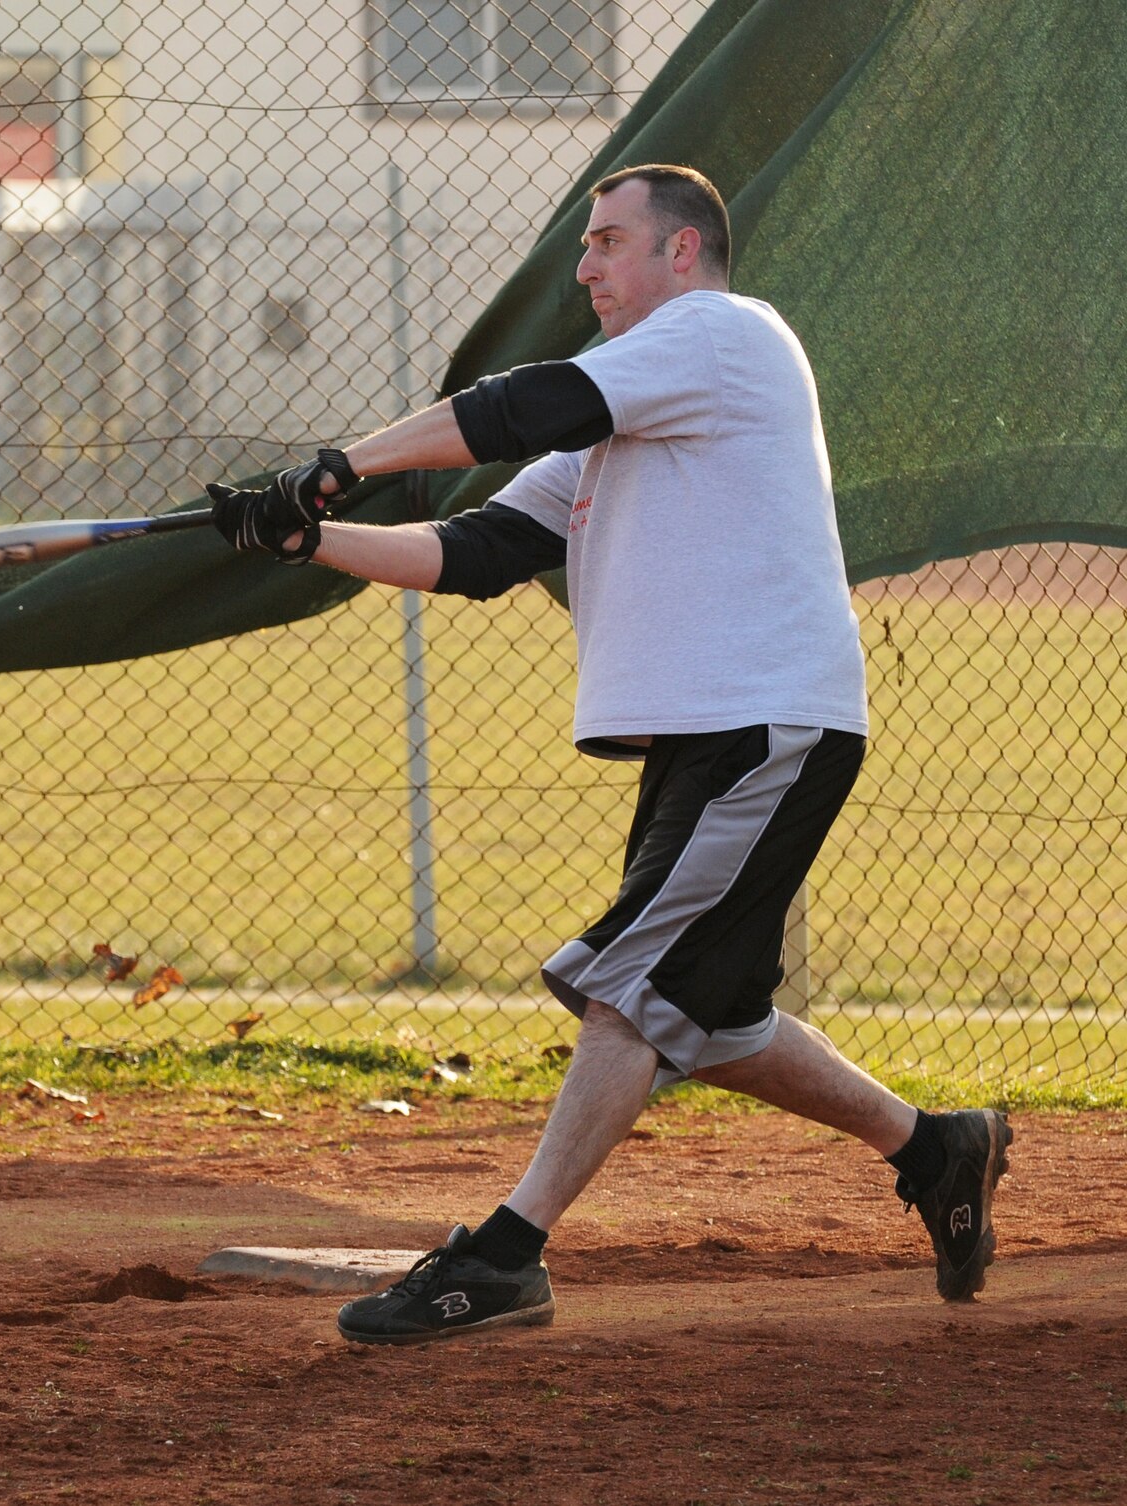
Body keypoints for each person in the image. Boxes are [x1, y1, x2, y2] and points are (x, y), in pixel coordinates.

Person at [204, 164, 1012, 1345]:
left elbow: (518, 407)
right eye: (584, 247)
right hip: (706, 737)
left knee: (624, 987)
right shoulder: (627, 406)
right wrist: (309, 538)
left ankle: (504, 1256)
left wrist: (339, 460)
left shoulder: (720, 336)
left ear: (681, 254)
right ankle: (935, 1147)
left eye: (606, 242)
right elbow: (476, 548)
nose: (583, 268)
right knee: (714, 1019)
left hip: (763, 725)